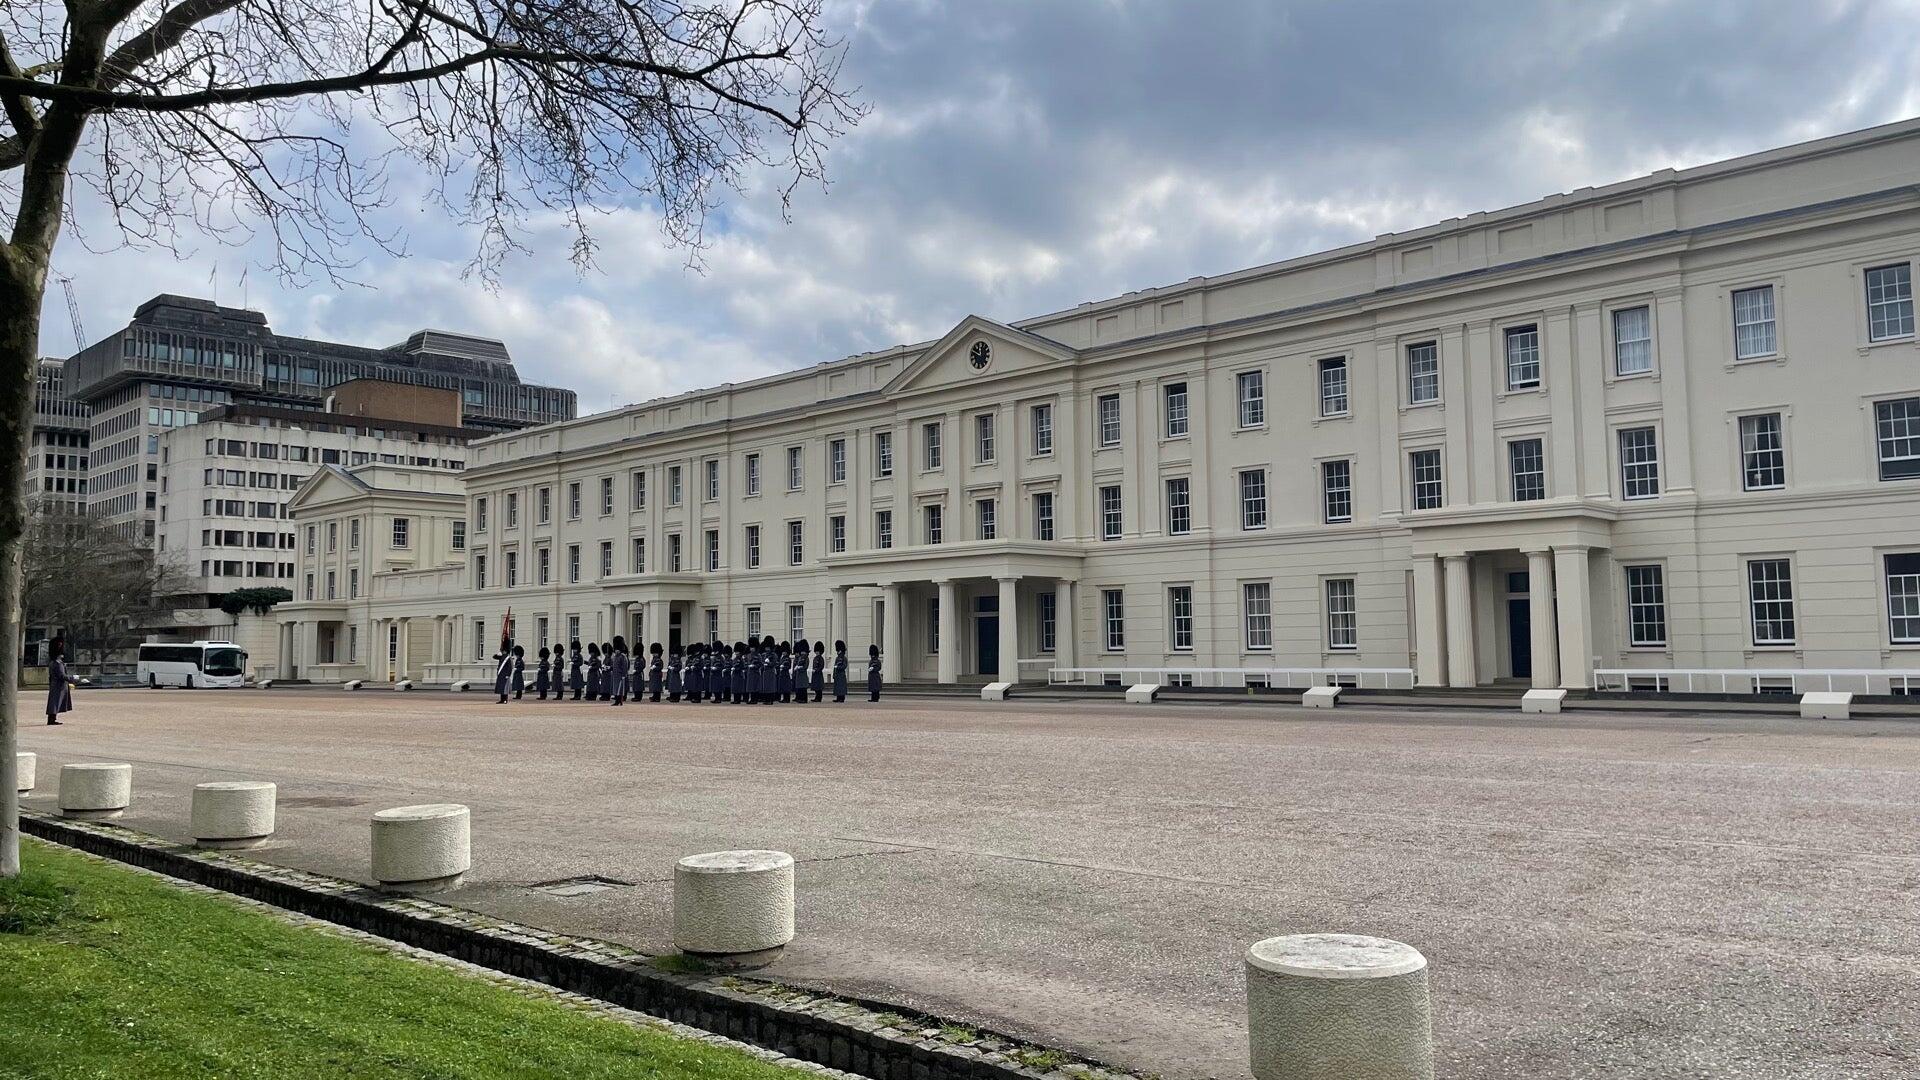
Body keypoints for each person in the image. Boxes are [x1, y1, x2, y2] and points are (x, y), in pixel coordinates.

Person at [45, 637, 73, 725]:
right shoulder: (57, 663)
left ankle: (52, 718)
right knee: (55, 702)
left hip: (56, 684)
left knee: (55, 701)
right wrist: (72, 678)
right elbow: (62, 675)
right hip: (58, 685)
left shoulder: (55, 662)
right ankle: (51, 719)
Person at [608, 635, 629, 706]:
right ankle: (617, 700)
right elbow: (614, 665)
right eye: (615, 649)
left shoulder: (623, 656)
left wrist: (624, 675)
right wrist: (609, 668)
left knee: (620, 689)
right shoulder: (614, 657)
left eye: (617, 649)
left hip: (620, 675)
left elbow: (625, 666)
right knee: (616, 688)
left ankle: (619, 700)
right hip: (615, 674)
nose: (616, 651)